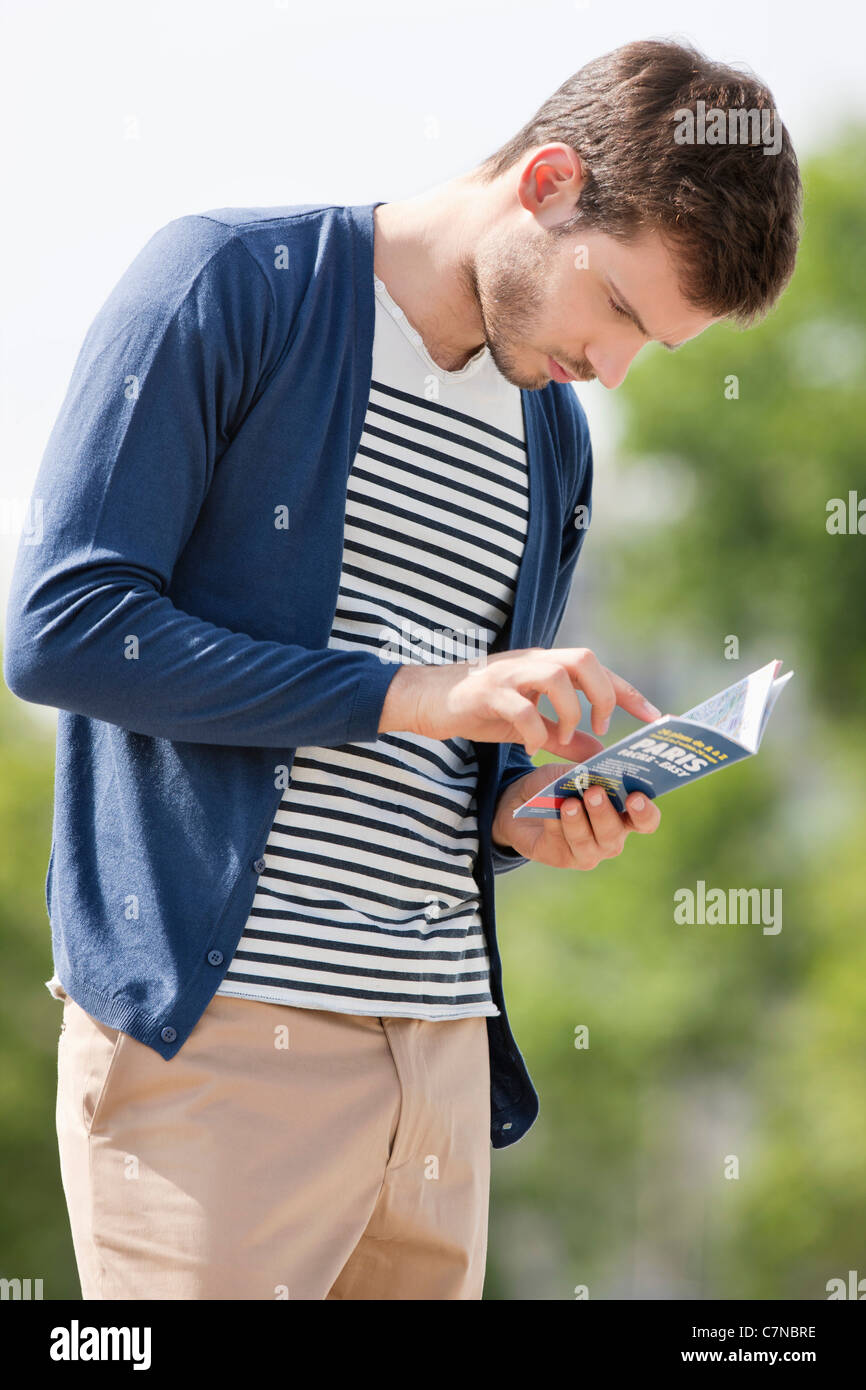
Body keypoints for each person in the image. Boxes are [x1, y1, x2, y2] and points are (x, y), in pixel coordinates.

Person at [3, 37, 801, 1300]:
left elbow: (415, 776)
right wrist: (413, 693)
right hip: (217, 1057)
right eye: (621, 314)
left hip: (440, 1060)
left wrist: (513, 819)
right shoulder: (232, 285)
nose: (611, 370)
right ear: (546, 182)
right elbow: (64, 625)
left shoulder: (552, 441)